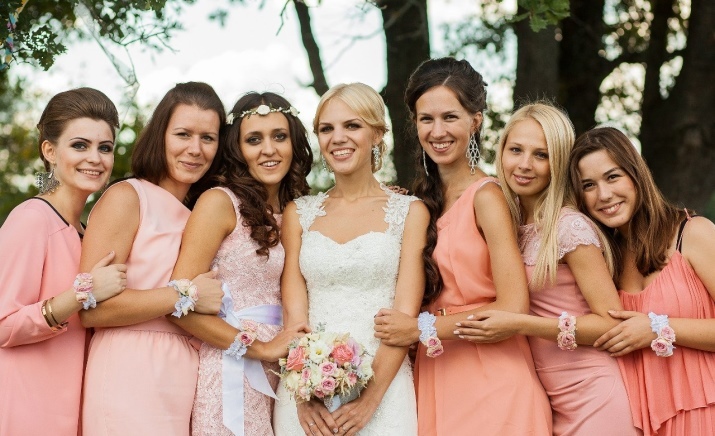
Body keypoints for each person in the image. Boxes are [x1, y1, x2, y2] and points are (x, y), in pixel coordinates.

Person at [373, 57, 552, 435]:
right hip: (438, 373)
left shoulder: (487, 197)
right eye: (426, 119)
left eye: (450, 117)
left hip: (491, 376)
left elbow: (513, 306)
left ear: (476, 120)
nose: (437, 130)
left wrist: (420, 330)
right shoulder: (421, 201)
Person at [453, 103, 637, 435]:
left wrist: (520, 323)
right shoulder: (508, 222)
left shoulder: (569, 227)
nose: (524, 165)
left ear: (559, 163)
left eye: (541, 155)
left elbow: (610, 324)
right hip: (546, 399)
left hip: (593, 394)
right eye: (516, 150)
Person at [273, 82, 428, 436]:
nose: (337, 137)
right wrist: (302, 395)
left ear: (377, 133)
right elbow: (295, 319)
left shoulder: (410, 213)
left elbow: (403, 317)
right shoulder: (299, 213)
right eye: (327, 129)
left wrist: (368, 402)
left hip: (384, 389)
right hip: (306, 394)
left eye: (352, 125)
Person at [79, 82, 226, 435]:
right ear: (160, 134)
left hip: (184, 372)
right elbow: (90, 309)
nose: (195, 149)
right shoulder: (127, 197)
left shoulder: (204, 213)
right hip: (129, 368)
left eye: (208, 137)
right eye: (183, 134)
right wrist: (184, 294)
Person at [168, 92, 313, 436]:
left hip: (286, 369)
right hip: (232, 367)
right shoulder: (219, 202)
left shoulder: (299, 210)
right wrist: (258, 347)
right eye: (254, 140)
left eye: (279, 136)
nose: (269, 149)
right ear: (237, 149)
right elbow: (179, 302)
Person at [570, 126, 715, 435]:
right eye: (588, 185)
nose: (604, 195)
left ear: (636, 174)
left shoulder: (693, 234)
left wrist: (657, 327)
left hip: (704, 412)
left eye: (613, 177)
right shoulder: (602, 266)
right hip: (638, 421)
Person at [0, 87, 127, 435]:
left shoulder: (86, 231)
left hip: (74, 411)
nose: (95, 158)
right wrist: (82, 293)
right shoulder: (31, 219)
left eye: (105, 148)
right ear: (50, 151)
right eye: (80, 145)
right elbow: (2, 324)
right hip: (26, 409)